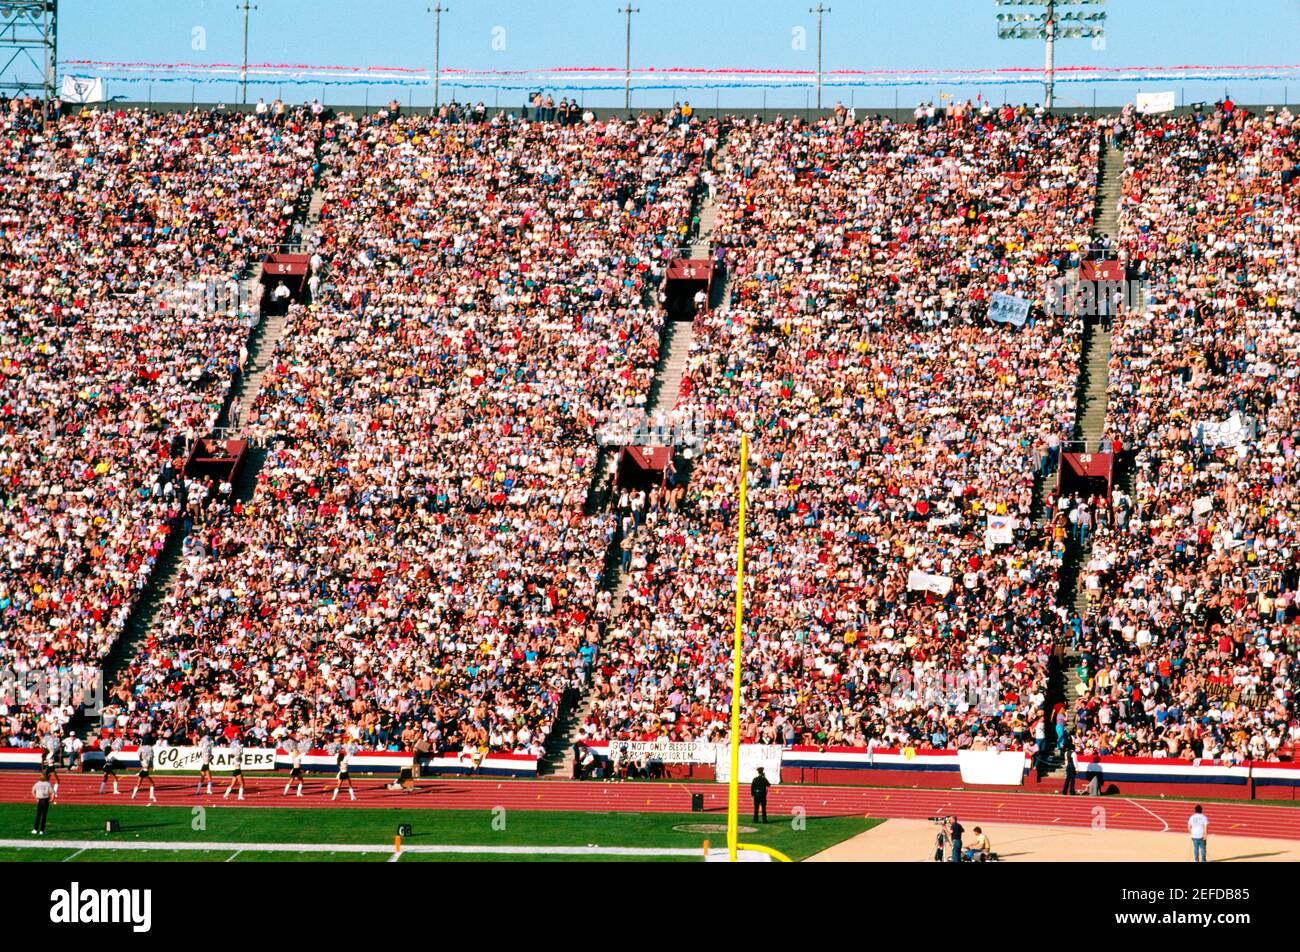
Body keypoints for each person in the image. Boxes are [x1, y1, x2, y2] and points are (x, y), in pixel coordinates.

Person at [32, 769, 53, 835]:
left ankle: (35, 830)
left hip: (39, 800)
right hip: (46, 799)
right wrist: (52, 799)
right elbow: (52, 792)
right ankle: (42, 831)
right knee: (44, 816)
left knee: (38, 815)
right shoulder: (48, 784)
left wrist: (36, 798)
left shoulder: (37, 783)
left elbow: (33, 791)